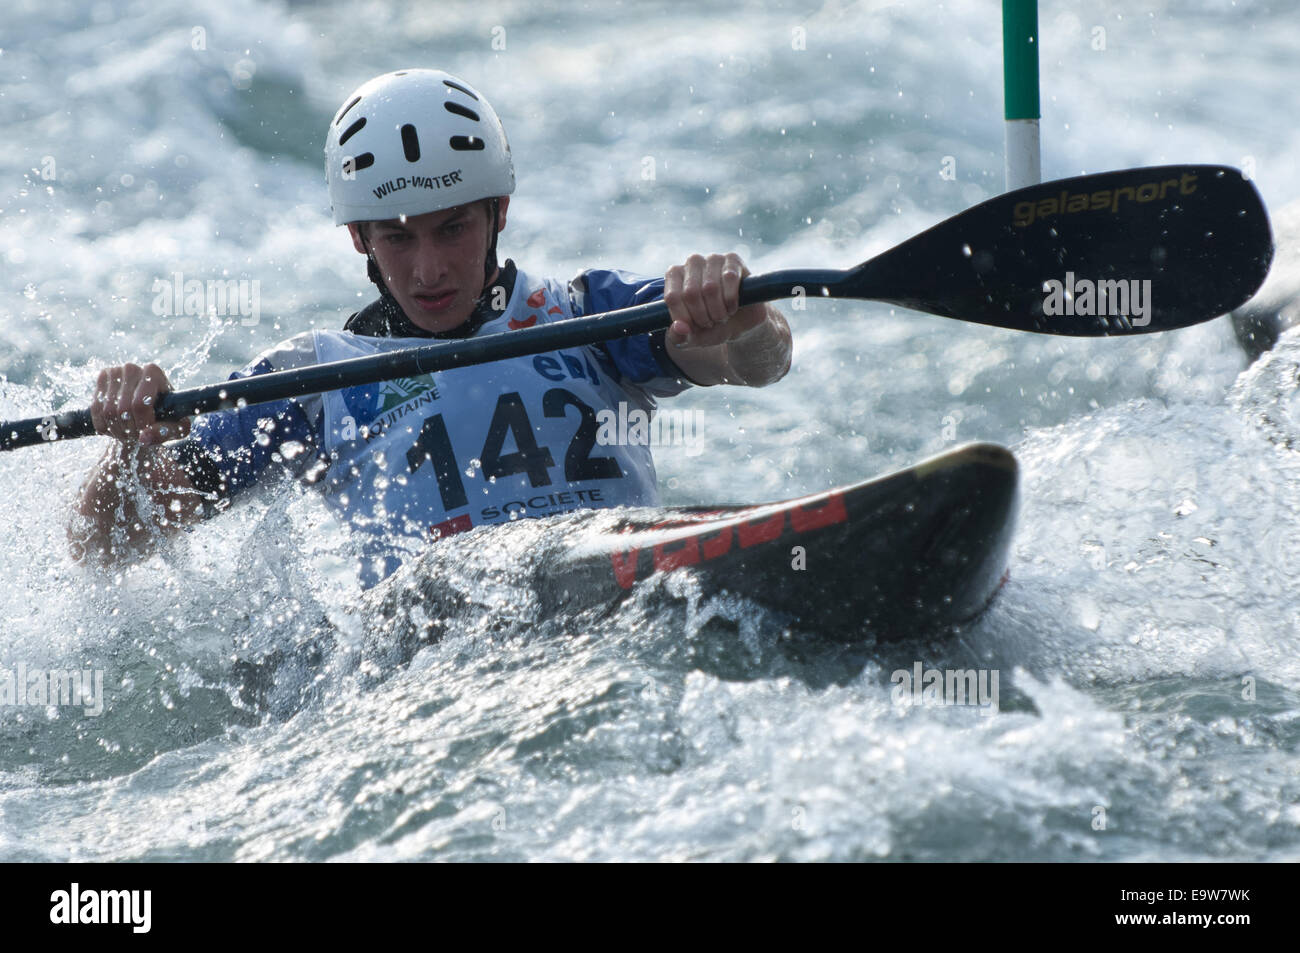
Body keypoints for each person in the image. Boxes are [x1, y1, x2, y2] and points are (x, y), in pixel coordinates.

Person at [69, 69, 793, 588]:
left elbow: (755, 362)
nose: (429, 270)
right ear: (360, 240)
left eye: (452, 229)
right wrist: (130, 444)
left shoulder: (585, 313)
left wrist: (741, 310)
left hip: (615, 594)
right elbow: (102, 545)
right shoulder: (316, 380)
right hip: (438, 659)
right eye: (398, 238)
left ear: (497, 215)